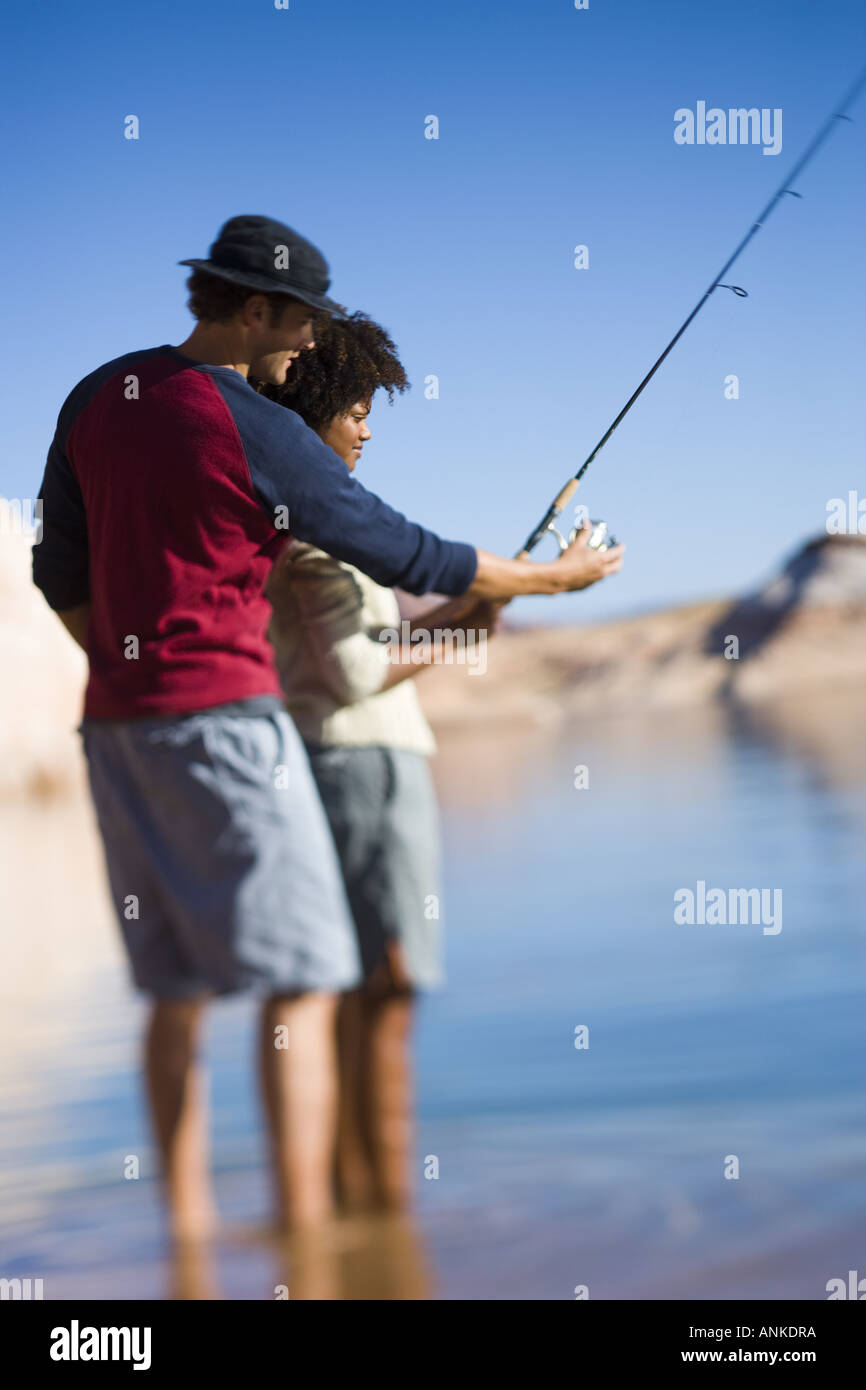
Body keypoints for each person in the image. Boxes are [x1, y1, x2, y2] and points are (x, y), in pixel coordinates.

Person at [32, 214, 624, 1242]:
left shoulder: (98, 393)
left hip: (120, 730)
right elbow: (403, 550)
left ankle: (189, 1240)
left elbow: (56, 571)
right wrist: (551, 576)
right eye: (301, 323)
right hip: (228, 722)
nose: (308, 343)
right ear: (254, 308)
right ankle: (306, 1238)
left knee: (175, 993)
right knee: (304, 979)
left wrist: (133, 668)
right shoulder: (254, 426)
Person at [262, 311, 510, 1212]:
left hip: (352, 764)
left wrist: (463, 622)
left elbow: (367, 647)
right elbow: (360, 671)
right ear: (318, 411)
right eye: (358, 410)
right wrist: (462, 628)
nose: (367, 428)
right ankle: (380, 1207)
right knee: (389, 987)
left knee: (363, 991)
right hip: (363, 769)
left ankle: (358, 1206)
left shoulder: (301, 524)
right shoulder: (320, 533)